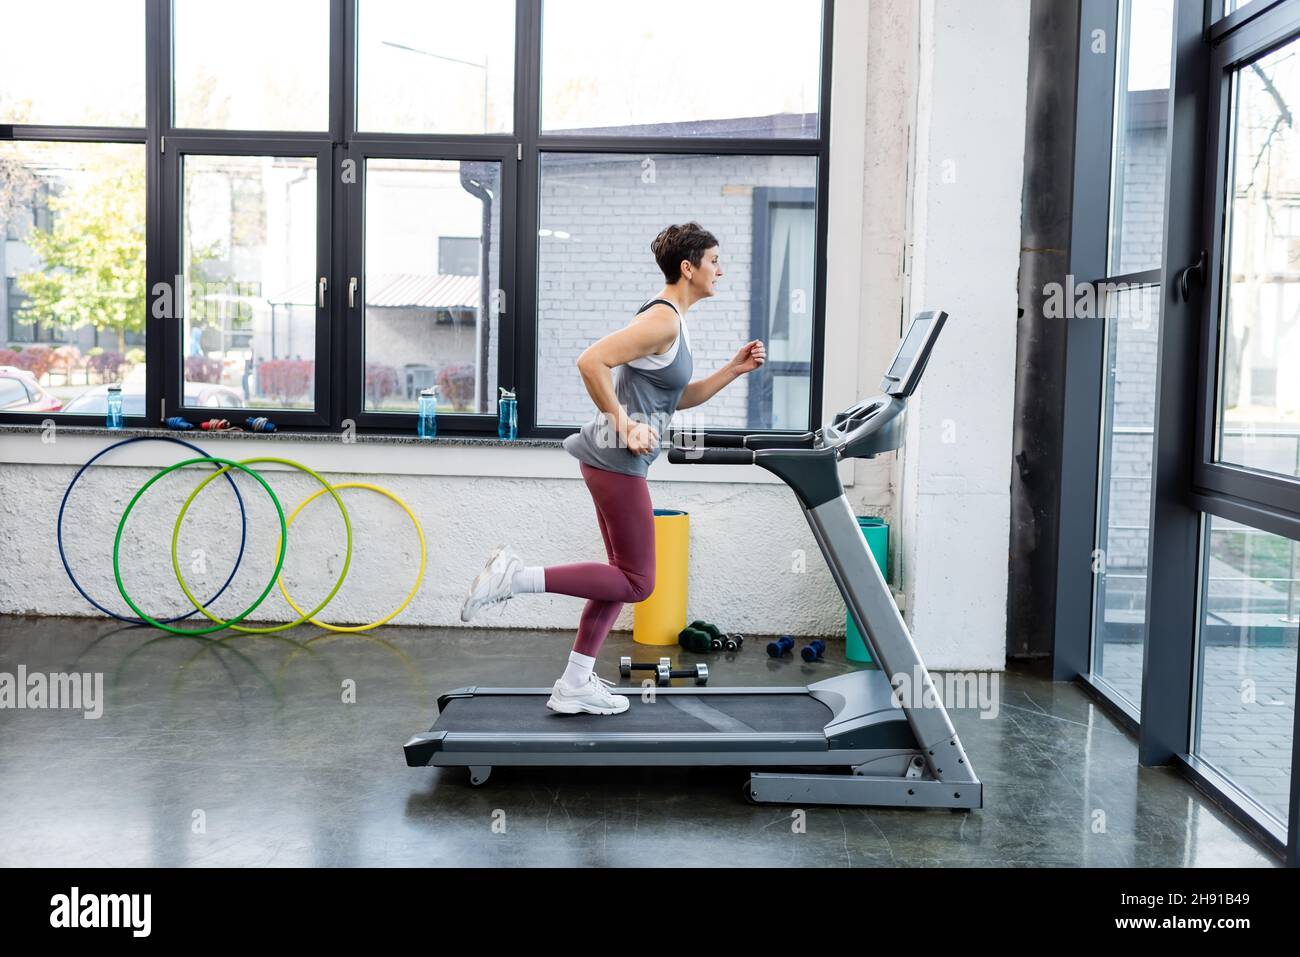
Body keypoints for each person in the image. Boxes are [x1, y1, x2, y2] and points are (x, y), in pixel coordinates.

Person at [460, 222, 766, 715]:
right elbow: (590, 362)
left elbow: (675, 398)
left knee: (618, 577)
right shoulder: (663, 321)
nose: (720, 270)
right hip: (616, 460)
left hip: (613, 461)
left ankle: (575, 682)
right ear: (688, 269)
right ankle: (514, 578)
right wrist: (624, 426)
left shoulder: (672, 321)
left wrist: (732, 371)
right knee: (639, 583)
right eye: (714, 261)